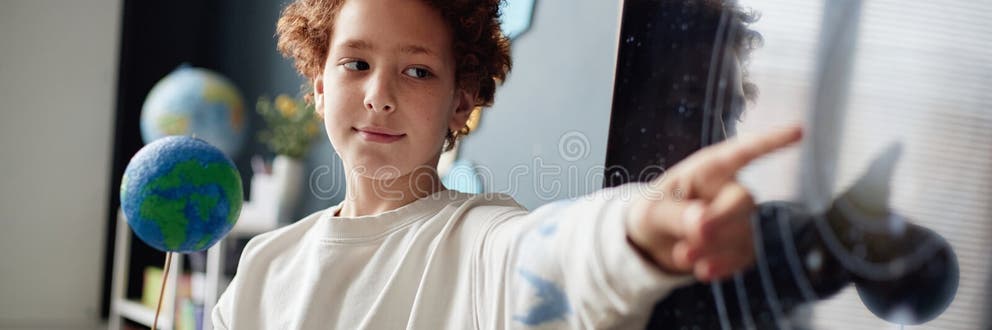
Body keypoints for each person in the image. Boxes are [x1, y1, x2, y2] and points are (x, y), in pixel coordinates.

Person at [211, 0, 802, 328]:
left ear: (460, 103)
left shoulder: (479, 241)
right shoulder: (266, 262)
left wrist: (638, 230)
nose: (379, 94)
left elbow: (552, 253)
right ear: (318, 87)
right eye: (355, 64)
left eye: (418, 71)